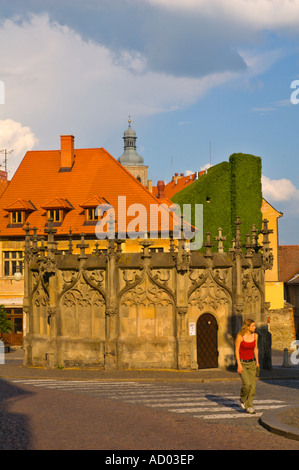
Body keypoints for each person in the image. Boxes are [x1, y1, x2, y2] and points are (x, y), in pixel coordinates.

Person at [235, 319, 260, 414]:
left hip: (252, 363)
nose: (255, 327)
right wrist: (239, 365)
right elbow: (237, 350)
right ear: (247, 327)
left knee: (253, 387)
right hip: (243, 363)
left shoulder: (255, 336)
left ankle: (249, 406)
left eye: (255, 325)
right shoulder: (240, 337)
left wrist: (257, 362)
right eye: (253, 326)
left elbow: (255, 349)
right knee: (247, 384)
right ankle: (242, 399)